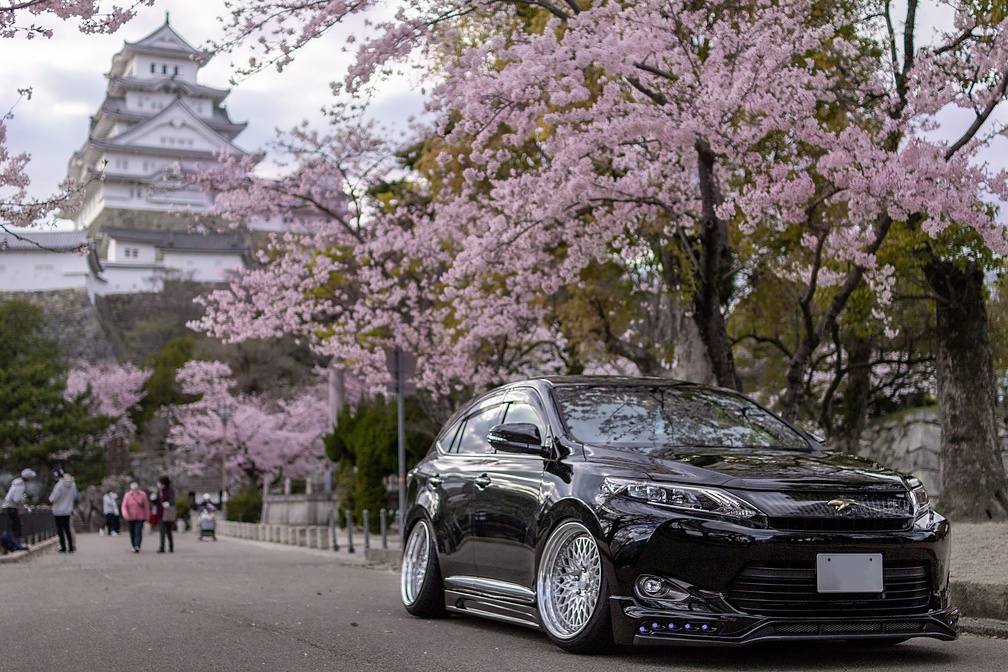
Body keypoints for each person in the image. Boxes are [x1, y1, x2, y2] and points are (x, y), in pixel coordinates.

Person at [2, 468, 36, 547]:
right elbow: (16, 499)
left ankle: (12, 544)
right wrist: (23, 499)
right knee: (18, 526)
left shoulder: (16, 483)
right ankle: (17, 544)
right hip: (11, 507)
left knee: (14, 526)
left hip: (8, 507)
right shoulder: (20, 486)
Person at [48, 468, 79, 554]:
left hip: (58, 510)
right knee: (68, 528)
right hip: (68, 509)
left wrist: (51, 498)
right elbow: (75, 496)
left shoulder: (58, 485)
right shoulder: (73, 484)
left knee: (60, 529)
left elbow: (53, 498)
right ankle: (71, 547)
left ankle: (63, 546)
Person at [120, 482, 150, 553]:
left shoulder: (142, 495)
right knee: (132, 532)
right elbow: (124, 506)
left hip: (140, 517)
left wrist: (147, 517)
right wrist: (125, 514)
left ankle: (137, 546)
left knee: (138, 531)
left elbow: (146, 506)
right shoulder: (127, 495)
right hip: (130, 517)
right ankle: (134, 545)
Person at [154, 475, 176, 554]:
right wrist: (153, 499)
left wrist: (168, 503)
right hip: (160, 513)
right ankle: (162, 547)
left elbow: (172, 499)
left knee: (168, 531)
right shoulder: (159, 491)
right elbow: (157, 502)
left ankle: (171, 545)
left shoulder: (170, 490)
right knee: (162, 530)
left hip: (167, 513)